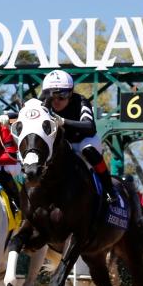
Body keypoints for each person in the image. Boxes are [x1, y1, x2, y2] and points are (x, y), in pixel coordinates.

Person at [29, 69, 116, 203]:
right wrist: (7, 116)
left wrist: (63, 122)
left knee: (89, 150)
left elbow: (89, 127)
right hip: (61, 143)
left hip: (82, 140)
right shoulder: (42, 104)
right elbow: (25, 114)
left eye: (62, 96)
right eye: (52, 97)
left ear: (70, 93)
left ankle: (109, 189)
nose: (56, 101)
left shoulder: (81, 101)